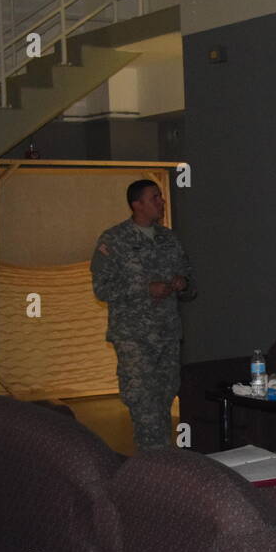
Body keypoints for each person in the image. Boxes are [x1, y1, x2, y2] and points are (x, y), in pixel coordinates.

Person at [91, 179, 195, 450]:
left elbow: (189, 282)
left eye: (160, 196)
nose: (161, 202)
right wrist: (144, 289)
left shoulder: (169, 239)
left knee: (164, 396)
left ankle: (161, 458)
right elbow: (102, 288)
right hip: (134, 337)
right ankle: (152, 460)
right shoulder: (113, 240)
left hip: (167, 334)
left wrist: (182, 283)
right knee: (143, 400)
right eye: (154, 198)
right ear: (137, 204)